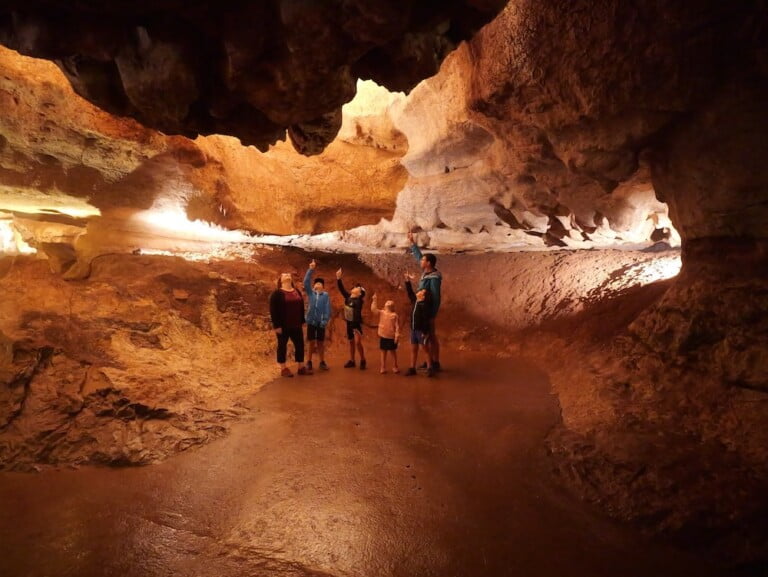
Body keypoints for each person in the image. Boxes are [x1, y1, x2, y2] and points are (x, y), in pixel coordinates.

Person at [407, 231, 442, 370]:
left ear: (428, 263)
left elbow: (436, 297)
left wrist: (432, 314)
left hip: (428, 311)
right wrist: (412, 243)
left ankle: (435, 362)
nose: (420, 261)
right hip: (422, 310)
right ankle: (430, 361)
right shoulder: (427, 272)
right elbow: (419, 256)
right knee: (427, 336)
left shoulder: (434, 277)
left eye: (423, 261)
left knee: (431, 336)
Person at [269, 272, 310, 377]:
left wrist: (302, 320)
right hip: (283, 326)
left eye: (288, 274)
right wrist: (277, 326)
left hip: (296, 324)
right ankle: (283, 368)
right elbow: (273, 311)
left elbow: (301, 307)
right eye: (284, 274)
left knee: (300, 345)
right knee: (282, 346)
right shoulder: (276, 294)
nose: (287, 275)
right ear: (281, 280)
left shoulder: (296, 291)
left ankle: (301, 367)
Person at [404, 272, 434, 377]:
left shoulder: (424, 306)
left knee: (425, 349)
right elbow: (410, 292)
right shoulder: (415, 301)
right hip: (413, 329)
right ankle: (412, 368)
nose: (419, 291)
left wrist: (425, 332)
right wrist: (407, 280)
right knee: (413, 349)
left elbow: (426, 320)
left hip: (421, 330)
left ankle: (430, 368)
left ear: (424, 296)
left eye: (422, 291)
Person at [336, 267, 367, 370]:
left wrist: (355, 326)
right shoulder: (348, 297)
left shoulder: (359, 301)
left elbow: (357, 314)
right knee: (351, 342)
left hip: (355, 325)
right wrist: (338, 278)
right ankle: (352, 360)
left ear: (359, 294)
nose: (355, 287)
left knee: (358, 342)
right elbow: (342, 289)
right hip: (349, 323)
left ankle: (363, 359)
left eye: (357, 288)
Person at [304, 259, 331, 371]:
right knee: (311, 342)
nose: (318, 284)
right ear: (314, 286)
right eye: (316, 283)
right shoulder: (311, 293)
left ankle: (322, 362)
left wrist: (325, 320)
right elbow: (306, 282)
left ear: (323, 287)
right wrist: (311, 269)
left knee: (320, 342)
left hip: (321, 323)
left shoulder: (325, 296)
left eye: (320, 284)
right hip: (311, 322)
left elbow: (327, 308)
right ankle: (309, 361)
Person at [371, 293, 400, 374]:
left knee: (392, 352)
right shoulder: (382, 312)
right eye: (387, 303)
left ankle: (395, 366)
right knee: (383, 352)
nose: (388, 303)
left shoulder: (394, 315)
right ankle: (383, 367)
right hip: (383, 336)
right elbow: (374, 310)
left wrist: (397, 335)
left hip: (391, 337)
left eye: (390, 303)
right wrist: (374, 300)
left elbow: (397, 326)